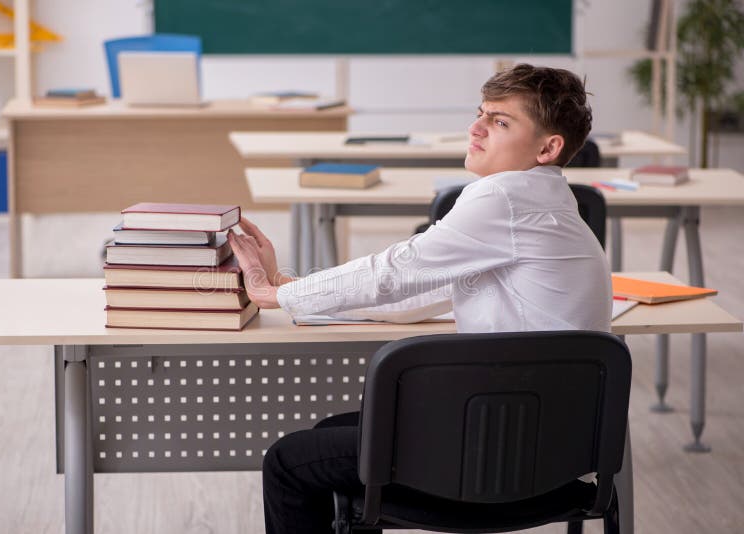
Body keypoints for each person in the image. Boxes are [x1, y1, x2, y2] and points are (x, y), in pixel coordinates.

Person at [227, 64, 611, 534]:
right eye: (481, 114)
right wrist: (285, 287)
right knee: (329, 433)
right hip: (555, 455)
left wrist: (269, 294)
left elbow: (394, 271)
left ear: (548, 148)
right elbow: (417, 293)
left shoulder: (505, 198)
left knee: (288, 462)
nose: (476, 128)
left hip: (494, 461)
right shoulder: (547, 205)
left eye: (501, 121)